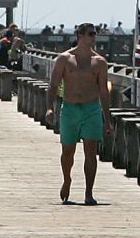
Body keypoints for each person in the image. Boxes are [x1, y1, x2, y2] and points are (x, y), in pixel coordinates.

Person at [46, 23, 109, 205]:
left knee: (91, 152)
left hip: (91, 108)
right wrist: (49, 108)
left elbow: (104, 91)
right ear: (79, 35)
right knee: (68, 151)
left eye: (95, 34)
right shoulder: (65, 59)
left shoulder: (100, 62)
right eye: (90, 34)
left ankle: (89, 192)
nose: (93, 37)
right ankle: (67, 180)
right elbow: (53, 85)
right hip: (70, 108)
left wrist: (108, 120)